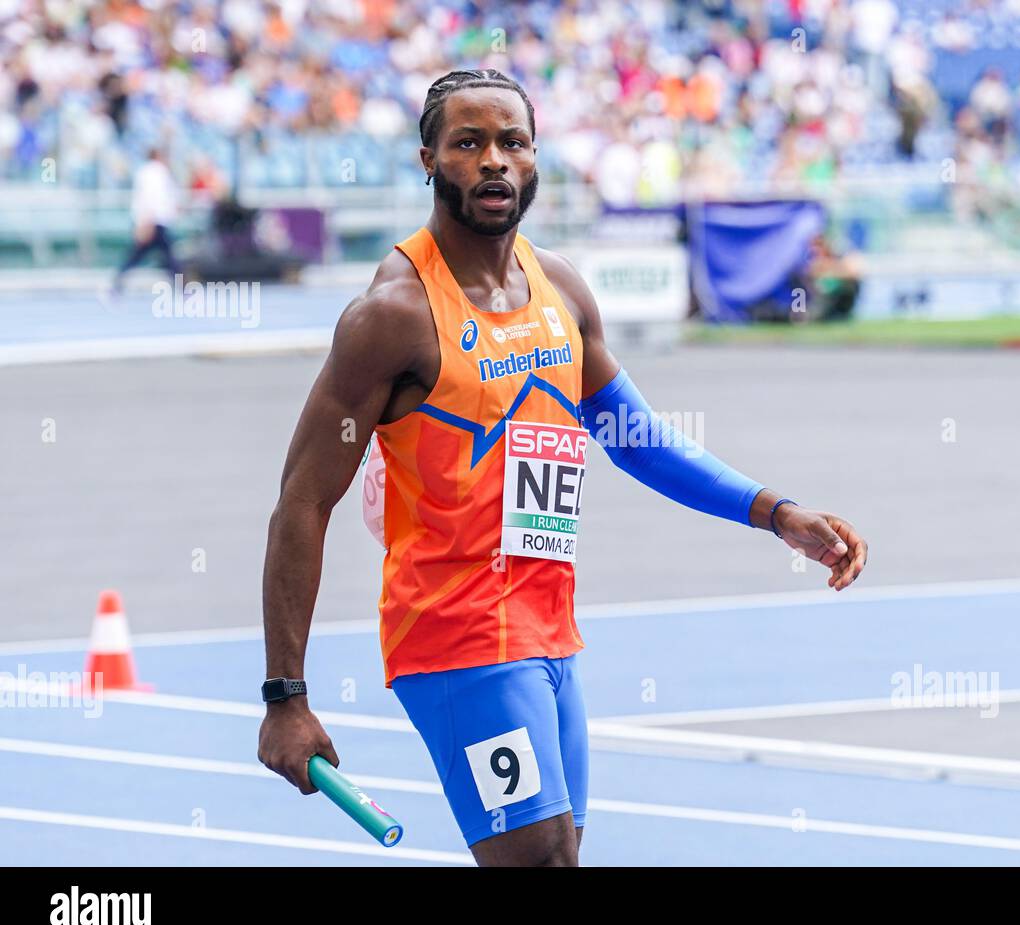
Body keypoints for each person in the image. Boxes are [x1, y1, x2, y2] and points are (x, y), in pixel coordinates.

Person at [257, 69, 868, 867]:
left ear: (537, 156)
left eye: (511, 142)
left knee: (557, 860)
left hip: (549, 631)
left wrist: (775, 512)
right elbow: (302, 501)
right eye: (468, 143)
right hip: (457, 638)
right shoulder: (394, 317)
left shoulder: (561, 290)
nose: (493, 162)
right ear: (429, 160)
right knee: (540, 863)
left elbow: (635, 435)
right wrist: (285, 697)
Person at [113, 147, 181, 292]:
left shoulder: (145, 171)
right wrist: (147, 221)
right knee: (164, 256)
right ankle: (184, 288)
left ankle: (117, 283)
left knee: (162, 257)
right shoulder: (155, 172)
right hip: (153, 222)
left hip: (151, 221)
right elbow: (150, 197)